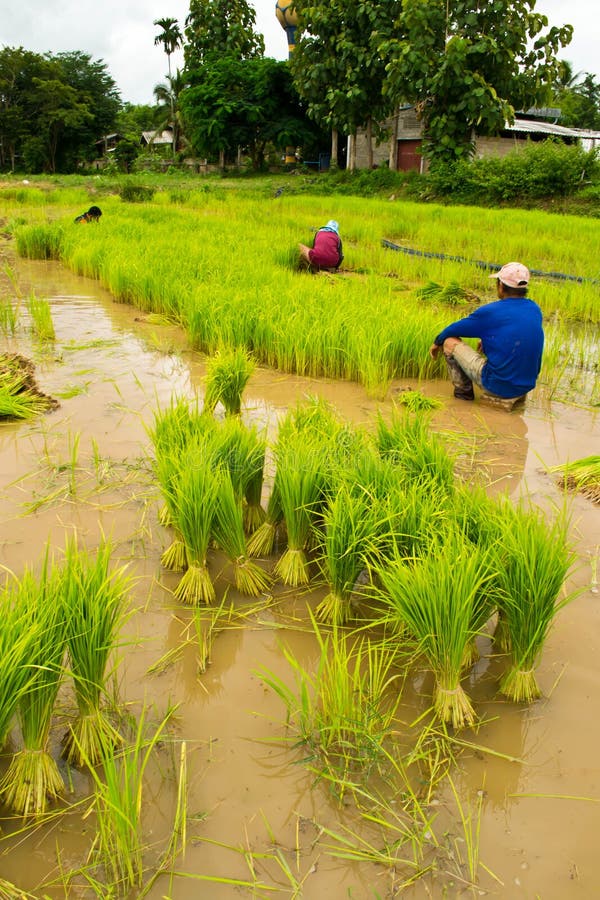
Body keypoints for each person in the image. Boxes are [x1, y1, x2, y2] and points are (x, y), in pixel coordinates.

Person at [429, 261, 544, 403]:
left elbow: (453, 330)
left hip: (497, 386)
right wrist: (487, 340)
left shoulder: (491, 312)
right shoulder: (534, 309)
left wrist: (436, 342)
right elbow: (517, 335)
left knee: (449, 342)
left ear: (501, 286)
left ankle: (463, 395)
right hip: (526, 385)